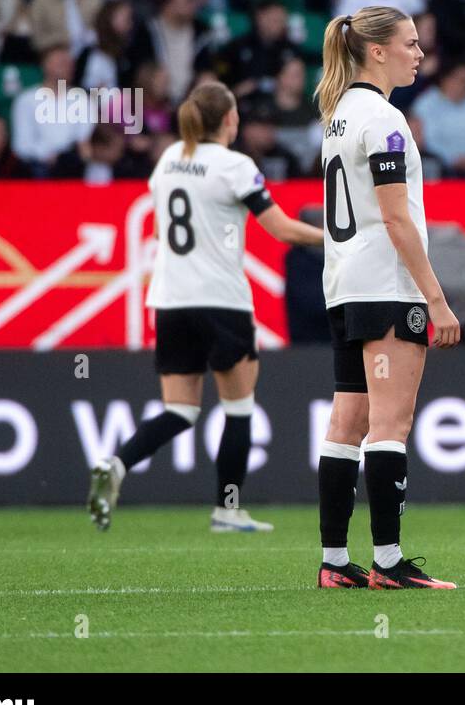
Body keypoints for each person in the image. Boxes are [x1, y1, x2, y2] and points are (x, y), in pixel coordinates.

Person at [87, 82, 325, 533]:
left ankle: (117, 465)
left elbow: (161, 234)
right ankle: (227, 510)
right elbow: (282, 230)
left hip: (171, 300)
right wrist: (336, 239)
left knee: (180, 410)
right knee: (238, 408)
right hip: (221, 301)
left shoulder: (170, 160)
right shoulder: (235, 166)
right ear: (229, 120)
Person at [314, 7, 461, 590]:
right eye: (410, 43)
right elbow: (397, 220)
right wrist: (437, 299)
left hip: (345, 288)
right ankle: (389, 562)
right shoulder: (385, 119)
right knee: (388, 427)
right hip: (387, 289)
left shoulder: (338, 117)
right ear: (377, 51)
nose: (419, 53)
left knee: (346, 423)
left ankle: (332, 561)